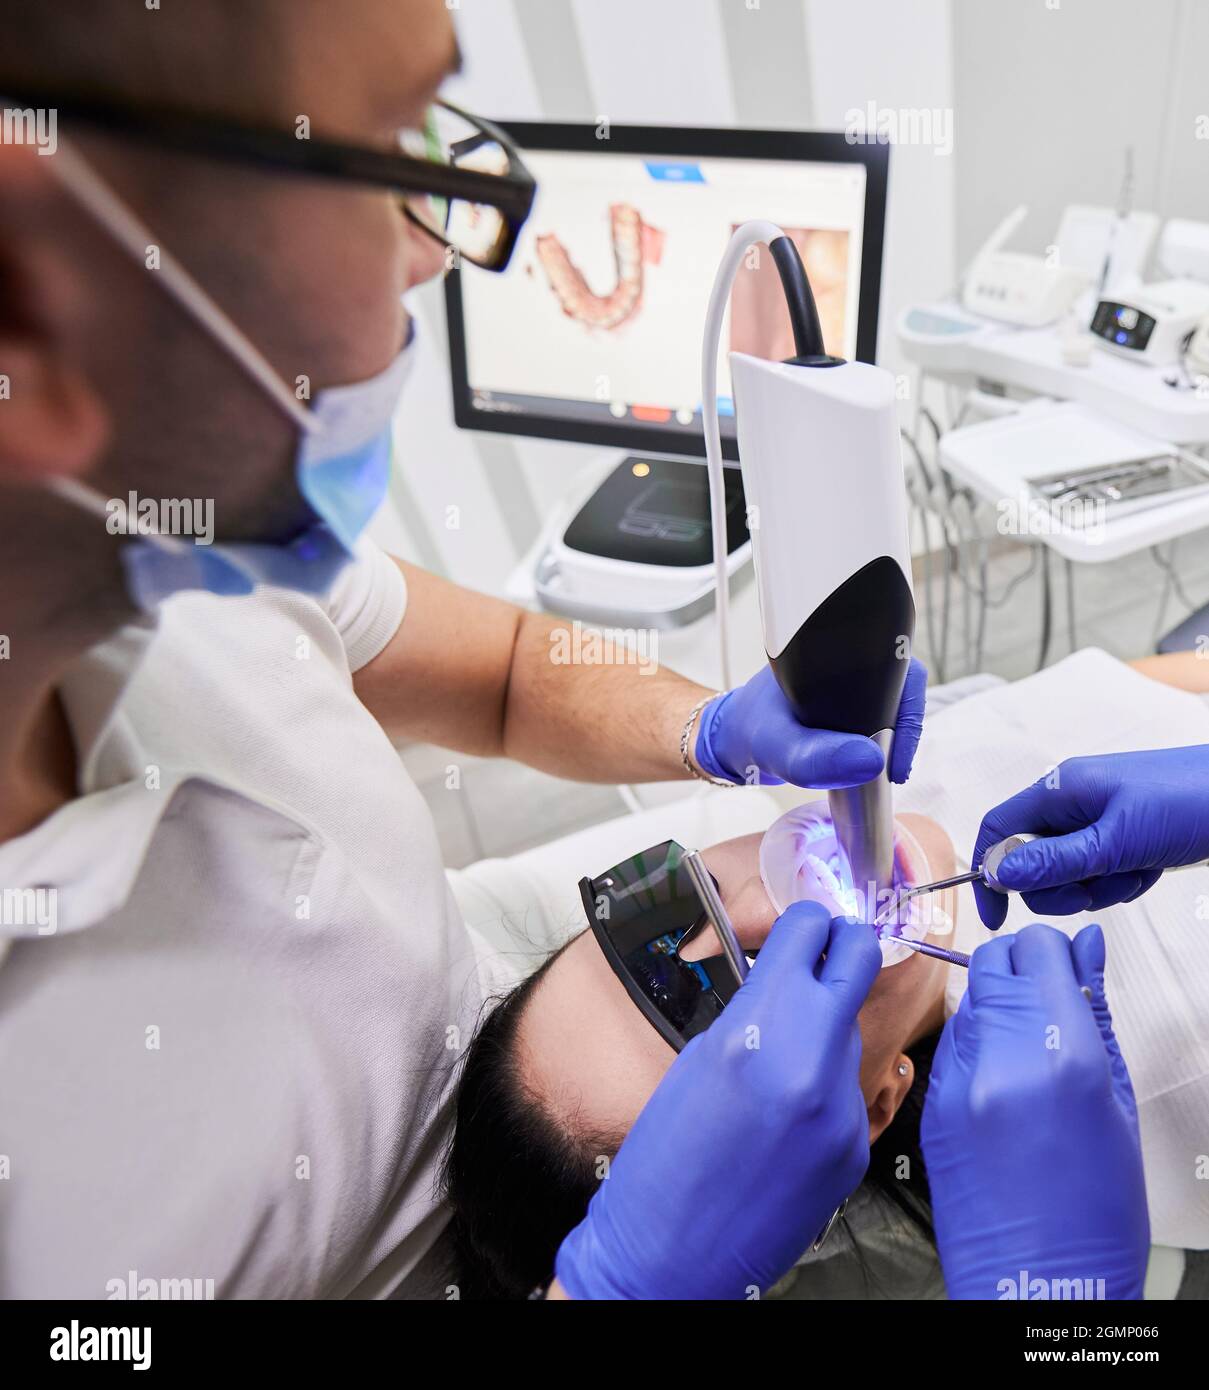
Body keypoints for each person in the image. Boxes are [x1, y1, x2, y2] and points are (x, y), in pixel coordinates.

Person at [0, 0, 924, 1298]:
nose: (436, 255)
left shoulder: (199, 548)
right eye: (385, 157)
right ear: (33, 305)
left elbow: (505, 676)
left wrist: (711, 728)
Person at [446, 801, 1181, 1298]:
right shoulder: (1168, 1096)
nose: (771, 901)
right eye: (743, 1000)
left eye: (658, 917)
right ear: (875, 1107)